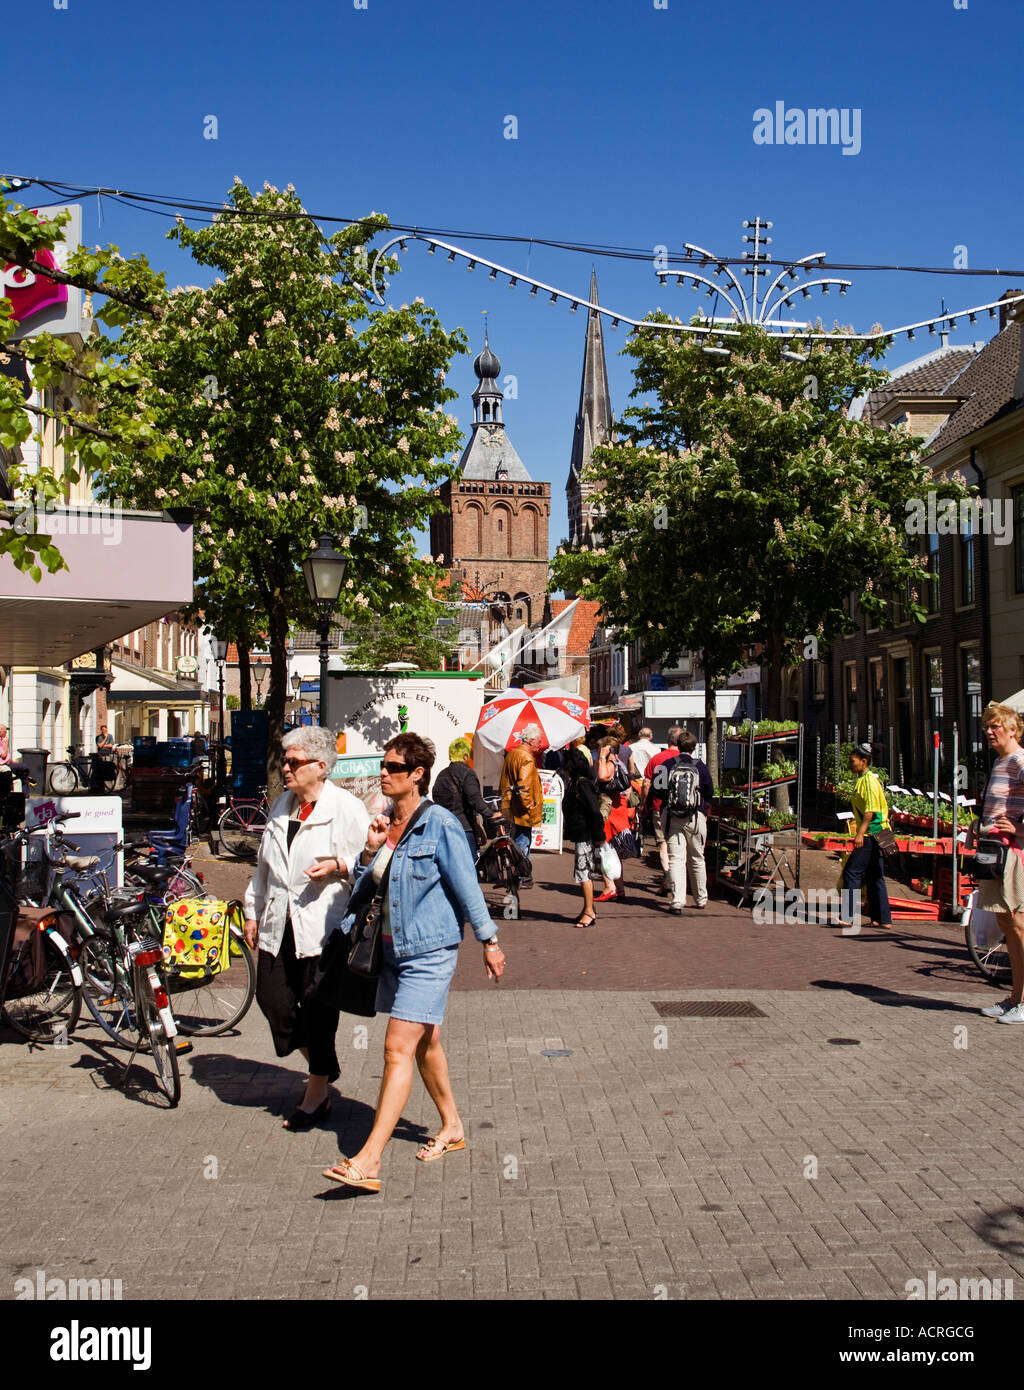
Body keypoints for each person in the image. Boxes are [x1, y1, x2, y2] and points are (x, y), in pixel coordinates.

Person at [322, 732, 505, 1193]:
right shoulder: (385, 823)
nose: (384, 773)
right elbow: (367, 885)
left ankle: (369, 1158)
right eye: (383, 766)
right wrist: (369, 852)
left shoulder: (439, 824)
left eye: (394, 767)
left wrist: (489, 940)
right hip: (392, 952)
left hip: (430, 951)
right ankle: (452, 1126)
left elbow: (466, 885)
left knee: (397, 1046)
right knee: (426, 1043)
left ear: (418, 774)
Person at [243, 726, 370, 1130]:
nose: (286, 767)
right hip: (278, 923)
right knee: (272, 999)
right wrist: (252, 911)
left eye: (294, 761)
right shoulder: (282, 805)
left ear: (321, 766)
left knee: (317, 1011)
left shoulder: (346, 808)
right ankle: (323, 1066)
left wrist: (339, 866)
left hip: (321, 928)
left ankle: (316, 1095)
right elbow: (264, 868)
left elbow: (370, 864)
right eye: (285, 760)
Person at [970, 703, 1024, 1023]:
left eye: (995, 726)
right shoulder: (1000, 762)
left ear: (1013, 730)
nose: (989, 732)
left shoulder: (1019, 760)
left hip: (1013, 852)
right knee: (1007, 925)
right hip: (995, 851)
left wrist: (1020, 828)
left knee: (1018, 925)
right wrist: (978, 825)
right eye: (986, 727)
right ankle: (1015, 998)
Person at [659, 729, 714, 915]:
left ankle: (677, 901)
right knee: (697, 858)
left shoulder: (667, 764)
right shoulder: (701, 766)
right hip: (696, 817)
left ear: (677, 745)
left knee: (676, 859)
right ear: (693, 747)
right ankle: (701, 898)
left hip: (672, 816)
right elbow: (709, 792)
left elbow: (657, 791)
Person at [839, 742, 893, 931]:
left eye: (852, 761)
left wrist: (860, 834)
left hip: (873, 833)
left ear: (864, 761)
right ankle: (882, 919)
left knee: (852, 872)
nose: (850, 764)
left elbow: (870, 811)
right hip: (880, 832)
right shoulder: (864, 779)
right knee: (875, 875)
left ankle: (848, 917)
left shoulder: (869, 781)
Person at [431, 736, 501, 864]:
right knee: (469, 864)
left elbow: (436, 797)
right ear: (465, 756)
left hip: (442, 827)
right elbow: (475, 799)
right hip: (463, 827)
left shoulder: (442, 774)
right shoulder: (467, 773)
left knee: (447, 864)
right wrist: (491, 814)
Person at [560, 741, 605, 927]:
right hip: (582, 833)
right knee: (583, 872)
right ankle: (588, 908)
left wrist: (599, 837)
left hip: (585, 834)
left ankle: (589, 911)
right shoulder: (579, 782)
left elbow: (594, 811)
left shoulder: (582, 784)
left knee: (583, 872)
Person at [639, 726, 683, 896]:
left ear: (668, 740)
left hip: (659, 806)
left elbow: (646, 784)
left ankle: (668, 877)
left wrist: (643, 804)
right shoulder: (686, 758)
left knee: (663, 843)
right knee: (679, 844)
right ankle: (675, 880)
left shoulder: (658, 758)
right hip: (682, 808)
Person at [499, 725, 544, 885]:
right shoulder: (526, 758)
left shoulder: (513, 754)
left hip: (511, 806)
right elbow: (524, 788)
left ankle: (518, 874)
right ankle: (522, 876)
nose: (540, 745)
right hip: (522, 810)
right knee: (522, 842)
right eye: (539, 741)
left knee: (517, 841)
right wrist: (530, 807)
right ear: (531, 741)